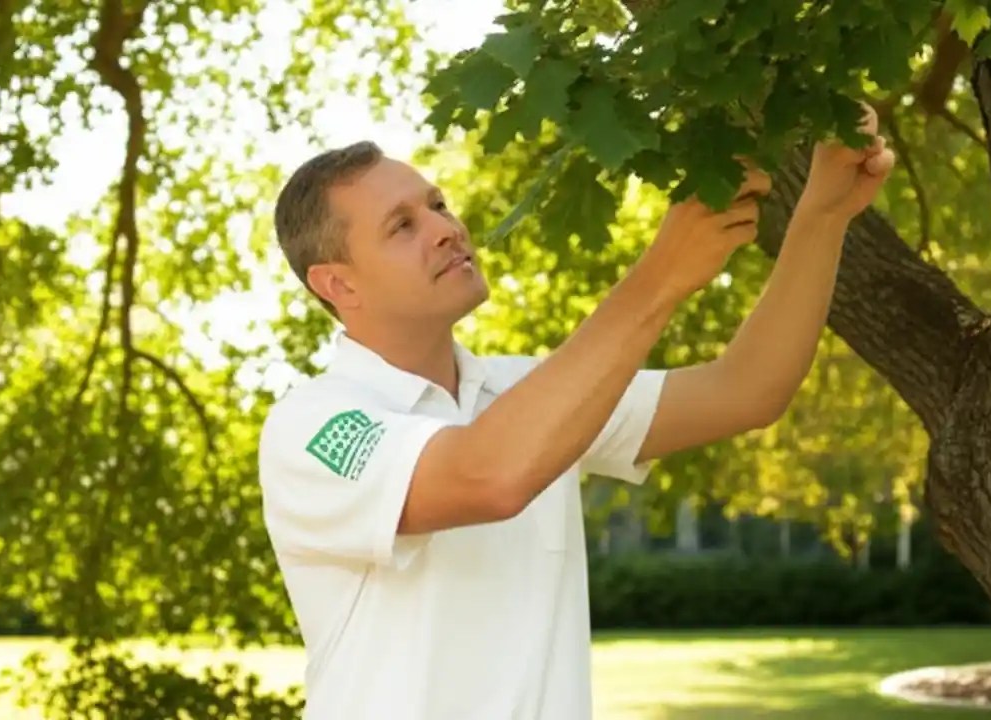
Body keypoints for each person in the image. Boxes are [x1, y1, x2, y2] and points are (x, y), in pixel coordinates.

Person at [259, 107, 895, 719]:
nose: (446, 228)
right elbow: (488, 476)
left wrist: (823, 212)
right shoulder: (312, 426)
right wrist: (660, 275)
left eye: (437, 204)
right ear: (337, 285)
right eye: (402, 226)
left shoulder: (529, 393)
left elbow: (748, 389)